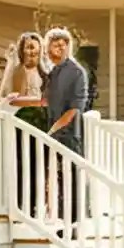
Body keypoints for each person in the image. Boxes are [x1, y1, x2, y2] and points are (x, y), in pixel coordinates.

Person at [43, 27, 89, 236]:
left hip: (70, 135)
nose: (60, 48)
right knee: (60, 180)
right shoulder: (53, 73)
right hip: (54, 135)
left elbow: (74, 108)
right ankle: (65, 223)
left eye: (63, 45)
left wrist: (53, 130)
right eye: (56, 45)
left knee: (73, 179)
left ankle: (77, 224)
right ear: (48, 48)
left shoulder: (76, 72)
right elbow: (45, 101)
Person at [0, 32, 49, 220]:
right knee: (22, 164)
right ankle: (21, 207)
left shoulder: (44, 74)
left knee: (39, 166)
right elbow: (9, 98)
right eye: (28, 47)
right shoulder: (18, 71)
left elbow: (49, 99)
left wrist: (38, 102)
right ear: (22, 50)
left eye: (34, 48)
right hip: (23, 122)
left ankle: (36, 208)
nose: (31, 52)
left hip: (42, 124)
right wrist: (37, 101)